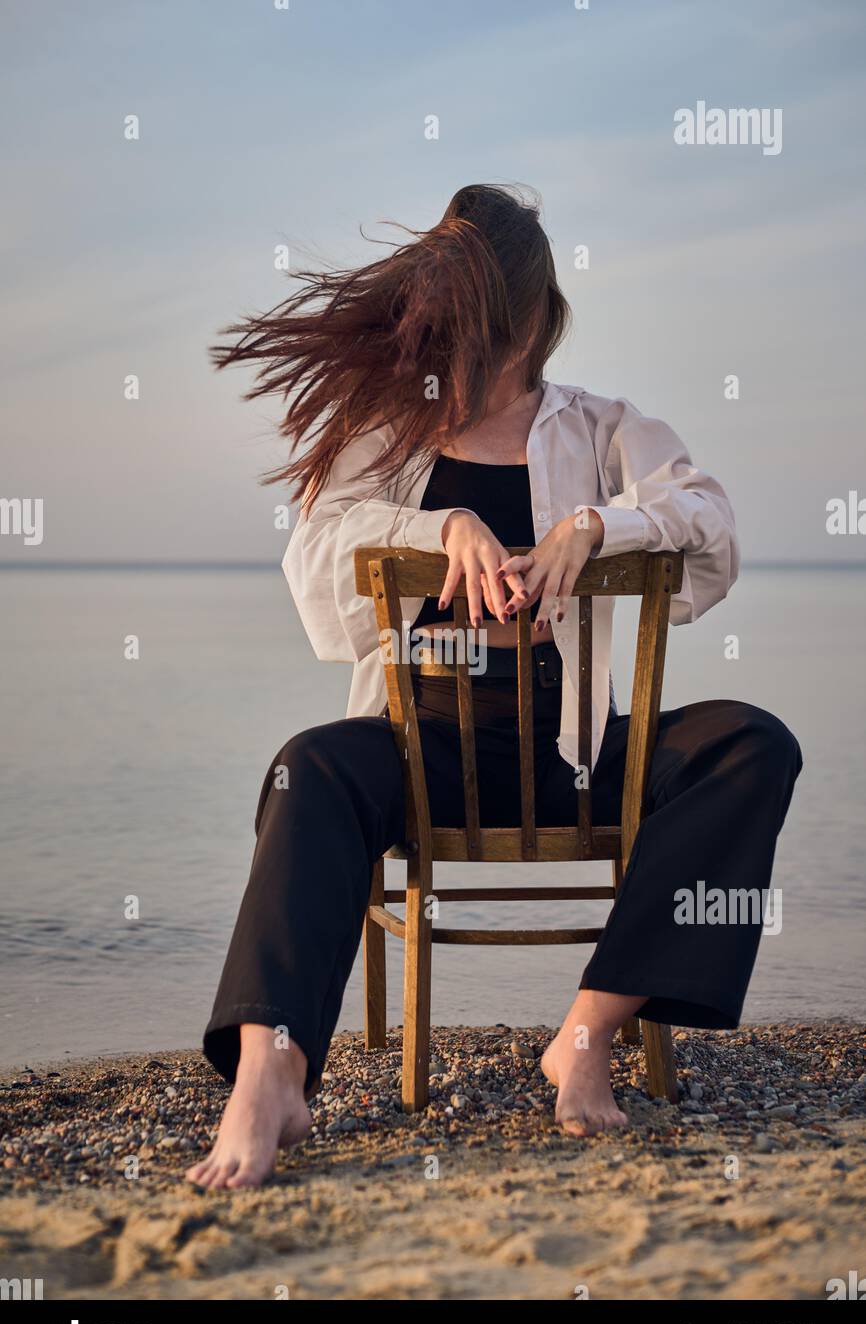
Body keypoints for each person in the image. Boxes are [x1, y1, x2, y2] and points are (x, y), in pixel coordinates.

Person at [186, 184, 801, 1190]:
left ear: (525, 325)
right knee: (307, 769)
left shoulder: (604, 430)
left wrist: (595, 527)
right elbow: (314, 567)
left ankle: (589, 1028)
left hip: (576, 752)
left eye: (468, 331)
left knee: (753, 744)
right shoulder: (386, 438)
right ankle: (271, 1065)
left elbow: (707, 519)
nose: (447, 354)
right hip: (418, 752)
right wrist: (443, 530)